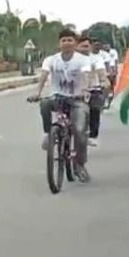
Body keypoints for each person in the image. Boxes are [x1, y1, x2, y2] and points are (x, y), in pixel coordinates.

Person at [27, 29, 92, 179]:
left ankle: (79, 165)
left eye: (70, 40)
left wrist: (85, 90)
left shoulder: (83, 60)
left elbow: (86, 76)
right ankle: (49, 134)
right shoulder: (51, 60)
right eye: (64, 40)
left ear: (75, 43)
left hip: (77, 99)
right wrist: (37, 93)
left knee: (79, 130)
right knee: (44, 104)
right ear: (59, 43)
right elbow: (44, 76)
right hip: (57, 97)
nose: (67, 43)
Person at [83, 36, 109, 144]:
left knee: (94, 109)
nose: (84, 48)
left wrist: (104, 81)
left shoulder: (96, 59)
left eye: (86, 46)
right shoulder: (71, 59)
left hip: (92, 89)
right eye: (81, 46)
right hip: (74, 91)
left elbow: (102, 73)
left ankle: (92, 135)